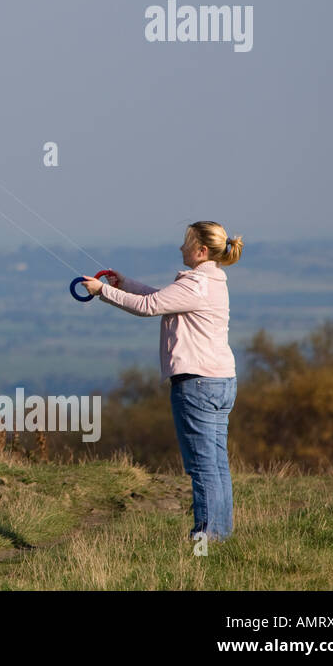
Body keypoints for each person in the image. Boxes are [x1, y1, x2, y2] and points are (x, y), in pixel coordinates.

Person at [80, 221, 244, 541]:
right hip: (220, 381)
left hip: (197, 384)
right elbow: (160, 298)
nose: (180, 248)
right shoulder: (210, 282)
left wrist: (103, 291)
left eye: (186, 242)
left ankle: (206, 538)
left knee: (201, 466)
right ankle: (220, 534)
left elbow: (149, 306)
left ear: (200, 251)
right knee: (216, 463)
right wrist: (123, 284)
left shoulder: (196, 284)